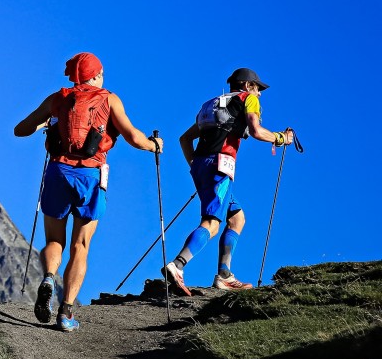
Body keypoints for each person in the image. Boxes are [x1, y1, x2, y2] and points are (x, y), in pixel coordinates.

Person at [15, 52, 162, 331]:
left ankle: (48, 277)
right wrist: (154, 145)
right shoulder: (109, 99)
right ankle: (66, 313)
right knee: (80, 246)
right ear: (95, 76)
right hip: (90, 175)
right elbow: (133, 137)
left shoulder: (57, 99)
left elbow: (19, 130)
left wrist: (46, 123)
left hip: (58, 171)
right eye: (101, 73)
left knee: (54, 240)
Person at [162, 68, 294, 295]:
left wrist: (196, 166)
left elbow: (185, 138)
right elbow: (256, 131)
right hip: (221, 166)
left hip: (201, 164)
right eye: (257, 88)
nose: (259, 94)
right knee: (212, 223)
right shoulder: (247, 99)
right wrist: (281, 138)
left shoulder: (214, 103)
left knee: (237, 218)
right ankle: (178, 265)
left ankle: (224, 275)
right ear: (247, 85)